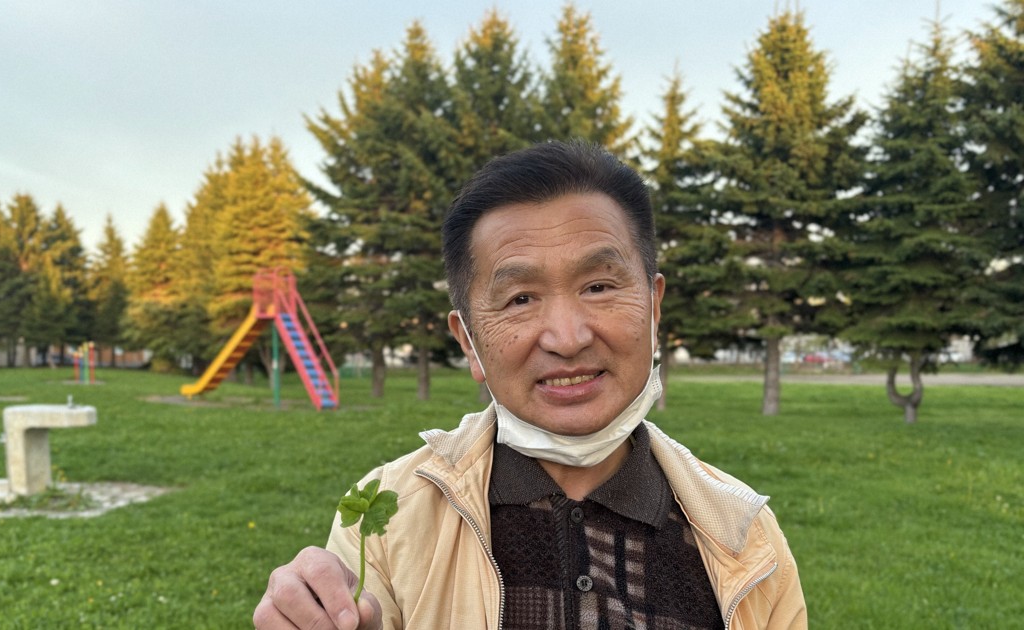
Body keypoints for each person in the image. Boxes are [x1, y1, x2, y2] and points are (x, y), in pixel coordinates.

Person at [253, 141, 806, 629]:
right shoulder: (388, 518)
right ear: (469, 341)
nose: (567, 338)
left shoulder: (746, 537)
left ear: (655, 307)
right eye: (520, 298)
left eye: (598, 285)